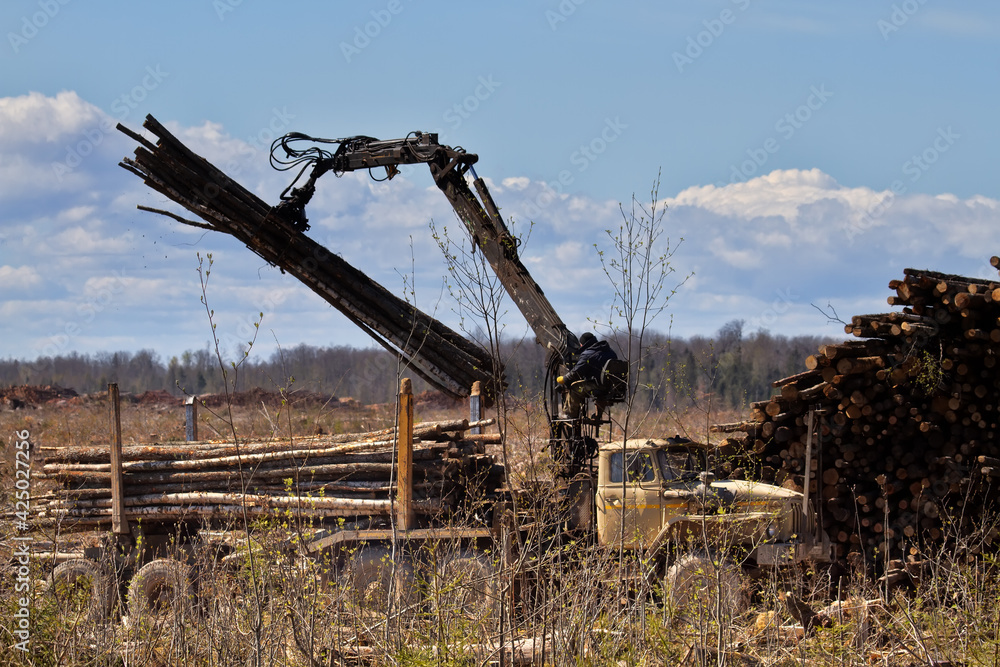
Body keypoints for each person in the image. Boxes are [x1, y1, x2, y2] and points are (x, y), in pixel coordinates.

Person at [557, 332, 618, 418]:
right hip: (610, 387)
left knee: (574, 387)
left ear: (583, 344)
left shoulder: (588, 354)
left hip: (596, 386)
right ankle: (598, 415)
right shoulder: (611, 352)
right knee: (600, 388)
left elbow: (576, 373)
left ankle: (569, 415)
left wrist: (564, 379)